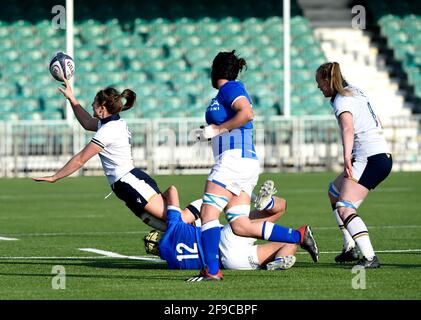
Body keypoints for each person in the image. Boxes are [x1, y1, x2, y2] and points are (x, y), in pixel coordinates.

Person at [193, 50, 317, 281]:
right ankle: (298, 235)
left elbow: (247, 114)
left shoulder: (231, 88)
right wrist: (210, 132)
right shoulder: (225, 93)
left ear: (215, 70)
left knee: (208, 213)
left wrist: (217, 130)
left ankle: (211, 271)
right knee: (240, 225)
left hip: (233, 160)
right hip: (242, 161)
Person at [33, 78, 200, 231]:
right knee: (169, 224)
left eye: (94, 102)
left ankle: (213, 205)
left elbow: (80, 159)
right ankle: (203, 232)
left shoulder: (108, 130)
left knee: (178, 221)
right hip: (127, 184)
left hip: (130, 182)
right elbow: (86, 122)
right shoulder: (111, 123)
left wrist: (55, 177)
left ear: (102, 107)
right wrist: (72, 99)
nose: (91, 105)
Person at [144, 181, 319, 274]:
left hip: (232, 262)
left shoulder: (173, 264)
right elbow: (173, 190)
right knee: (280, 208)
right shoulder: (176, 227)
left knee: (287, 245)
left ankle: (278, 261)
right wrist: (161, 198)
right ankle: (268, 202)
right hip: (227, 237)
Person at [316, 62, 393, 268]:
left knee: (345, 207)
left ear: (328, 80)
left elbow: (348, 128)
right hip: (378, 155)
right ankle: (349, 247)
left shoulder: (342, 100)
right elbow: (376, 120)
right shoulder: (355, 91)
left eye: (320, 83)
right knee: (334, 192)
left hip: (369, 158)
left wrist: (347, 157)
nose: (318, 87)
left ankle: (369, 257)